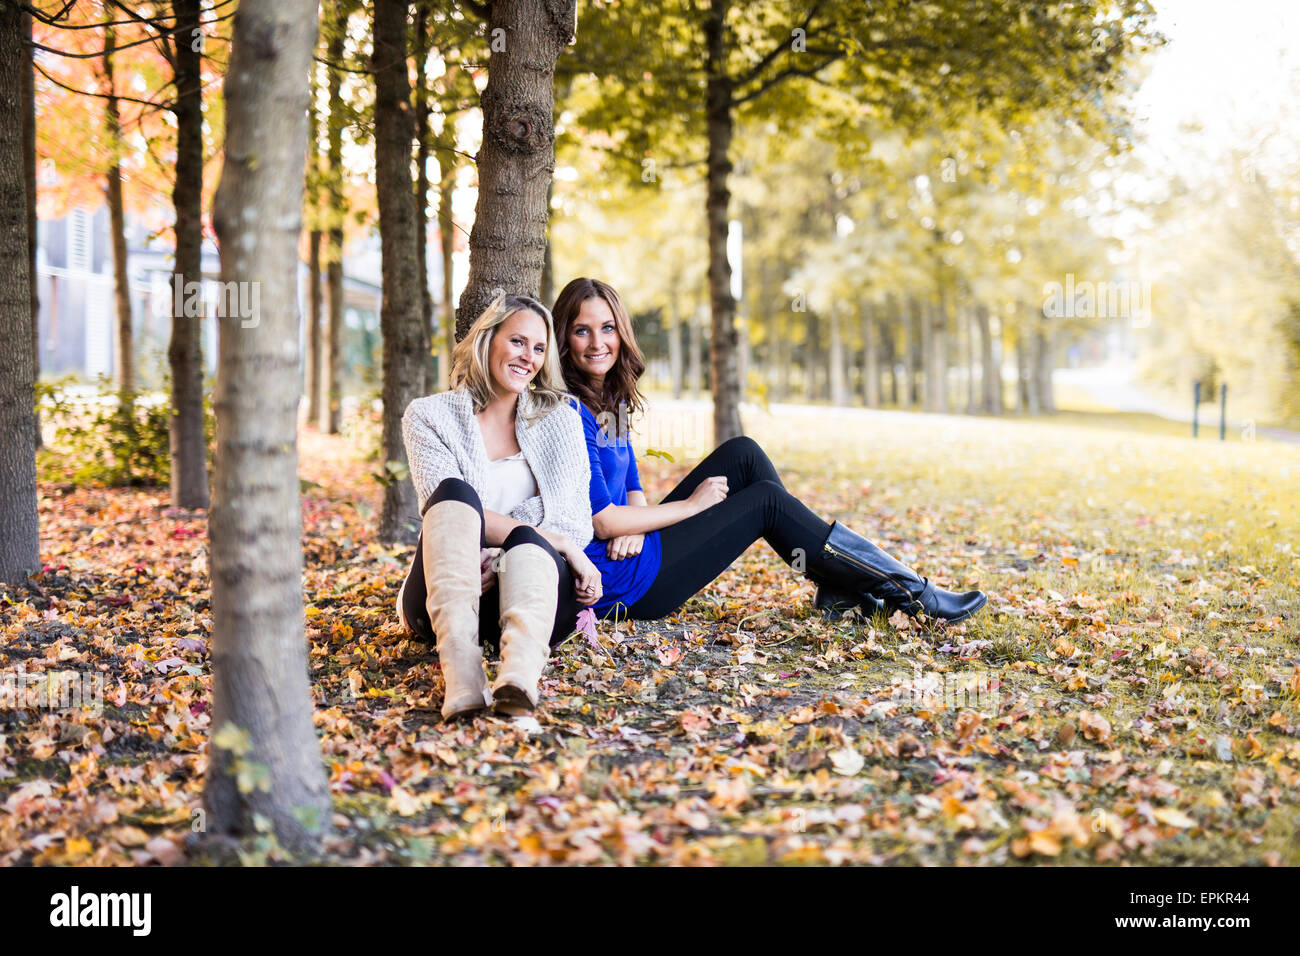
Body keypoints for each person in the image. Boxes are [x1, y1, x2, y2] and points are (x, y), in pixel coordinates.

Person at [550, 277, 988, 626]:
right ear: (564, 339)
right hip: (622, 584)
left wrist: (638, 526)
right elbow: (602, 521)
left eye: (607, 327)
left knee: (743, 453)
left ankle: (836, 585)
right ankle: (913, 593)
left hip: (632, 549)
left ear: (621, 331)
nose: (597, 342)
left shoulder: (610, 399)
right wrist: (690, 506)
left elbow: (630, 485)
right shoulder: (570, 411)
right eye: (582, 330)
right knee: (766, 501)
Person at [397, 293, 601, 720]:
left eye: (540, 348)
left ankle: (518, 682)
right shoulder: (429, 417)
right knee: (456, 493)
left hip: (537, 591)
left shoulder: (560, 419)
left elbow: (573, 520)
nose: (529, 357)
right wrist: (551, 539)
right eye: (518, 342)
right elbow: (444, 510)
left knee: (528, 541)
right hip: (448, 590)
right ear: (487, 340)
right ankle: (462, 678)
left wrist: (513, 547)